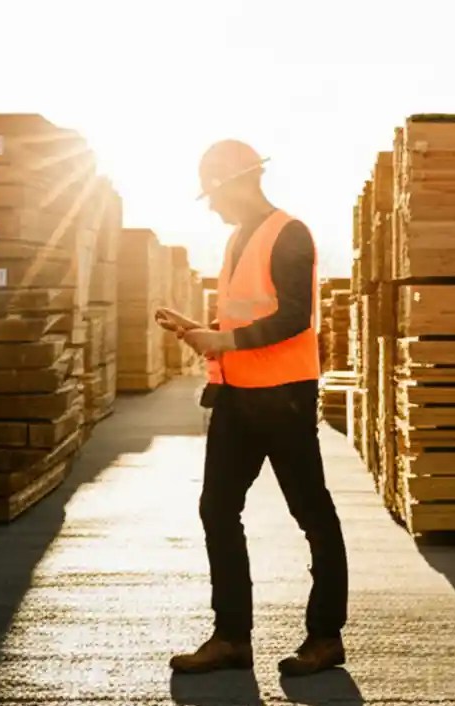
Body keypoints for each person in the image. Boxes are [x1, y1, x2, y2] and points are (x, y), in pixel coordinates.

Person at [156, 139, 349, 677]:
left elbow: (295, 317)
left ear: (236, 184)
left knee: (312, 515)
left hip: (284, 398)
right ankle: (231, 637)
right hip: (238, 398)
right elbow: (245, 317)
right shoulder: (238, 239)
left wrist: (226, 343)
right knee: (216, 509)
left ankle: (325, 636)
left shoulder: (289, 233)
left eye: (213, 195)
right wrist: (200, 331)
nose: (212, 207)